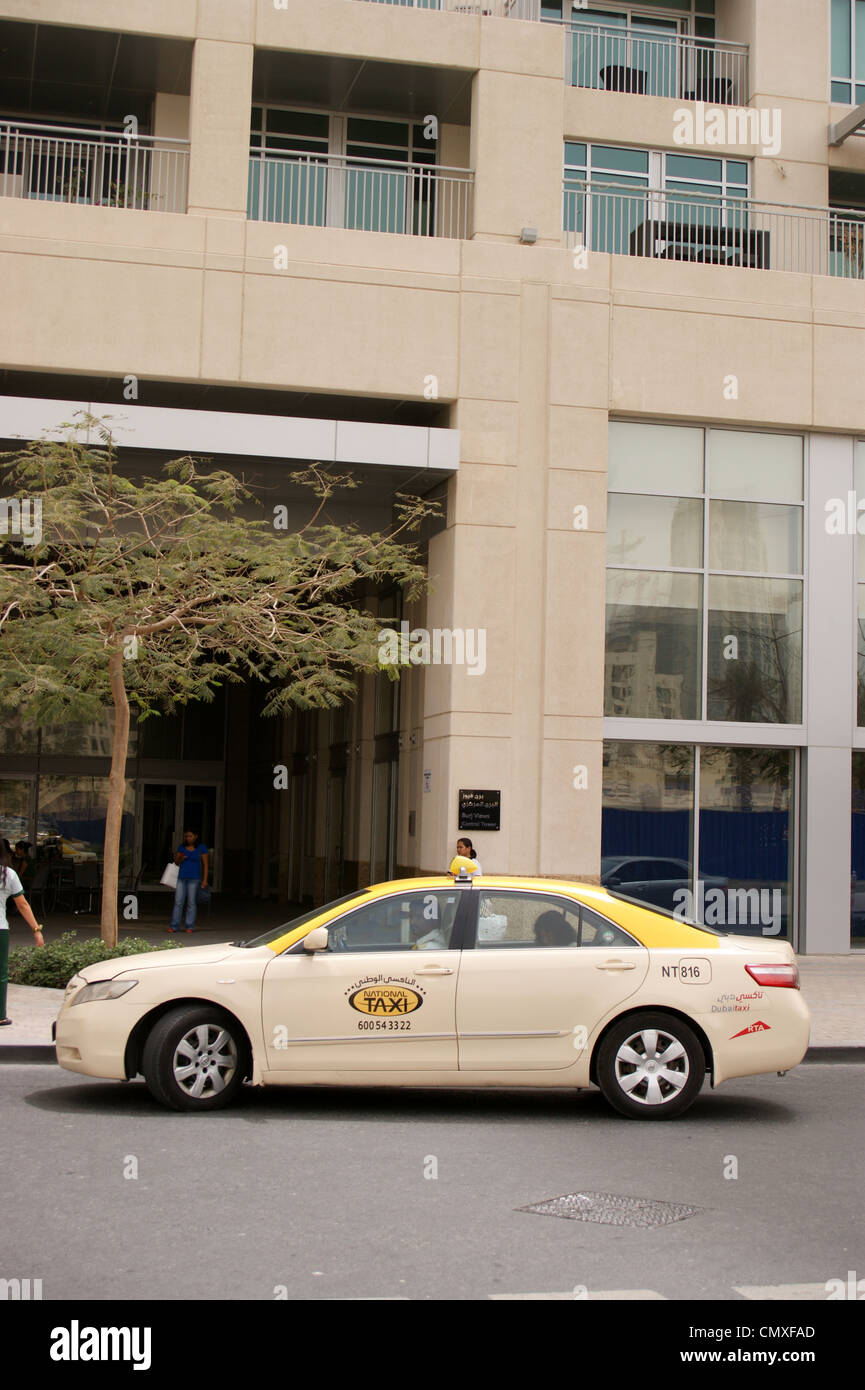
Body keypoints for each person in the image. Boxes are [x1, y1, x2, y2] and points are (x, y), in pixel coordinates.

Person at [1, 842, 44, 1025]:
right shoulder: (8, 874)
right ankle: (0, 1015)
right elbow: (22, 905)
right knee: (1, 973)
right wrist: (36, 930)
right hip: (0, 929)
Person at [169, 829, 209, 934]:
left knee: (191, 902)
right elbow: (176, 862)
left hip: (194, 878)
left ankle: (189, 926)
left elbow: (205, 865)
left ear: (195, 836)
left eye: (190, 836)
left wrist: (204, 880)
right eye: (186, 836)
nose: (188, 838)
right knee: (178, 902)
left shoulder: (201, 848)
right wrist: (181, 858)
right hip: (181, 877)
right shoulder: (181, 847)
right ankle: (174, 926)